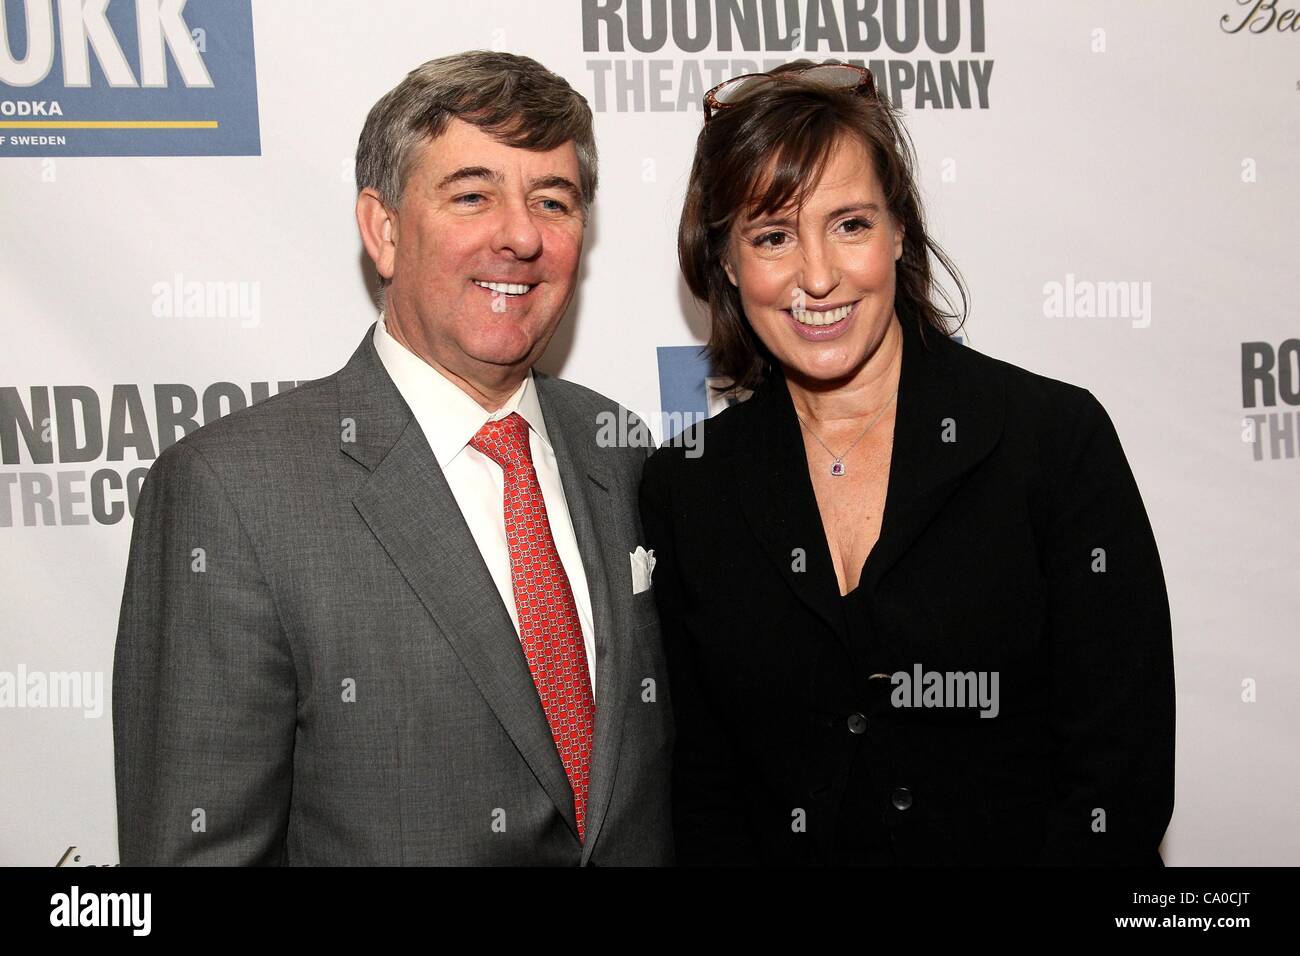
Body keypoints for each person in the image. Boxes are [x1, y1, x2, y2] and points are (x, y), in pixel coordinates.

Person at [113, 51, 672, 866]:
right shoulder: (233, 493)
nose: (520, 236)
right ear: (383, 229)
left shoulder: (618, 450)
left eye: (552, 201)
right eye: (473, 195)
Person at [639, 61, 1175, 865]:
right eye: (773, 236)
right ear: (725, 264)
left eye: (850, 224)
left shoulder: (1050, 441)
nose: (817, 276)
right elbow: (703, 788)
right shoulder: (690, 484)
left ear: (899, 233)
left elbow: (1119, 775)